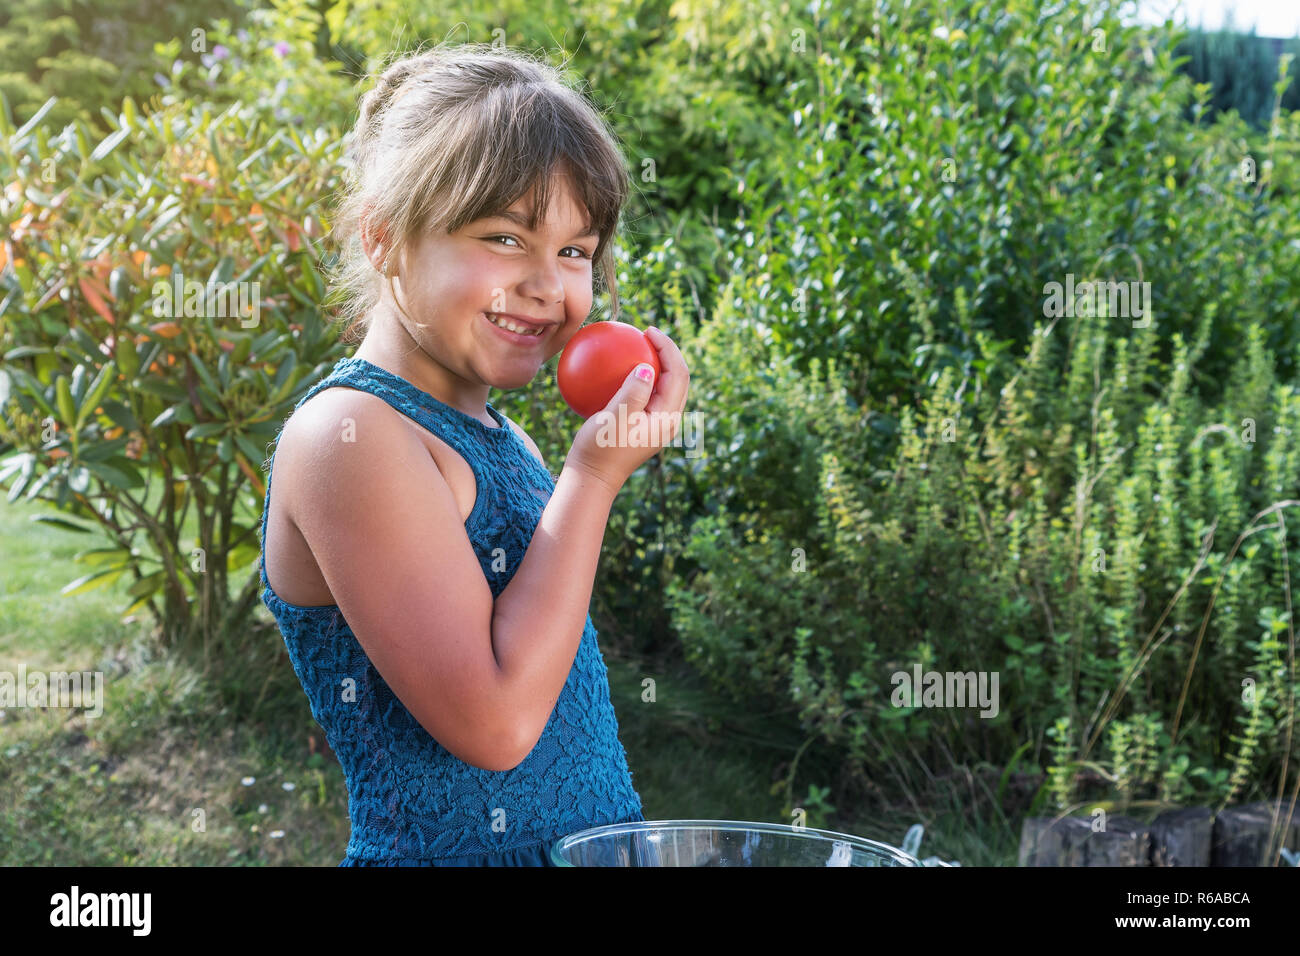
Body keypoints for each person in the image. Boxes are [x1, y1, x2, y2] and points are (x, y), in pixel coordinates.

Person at [256, 42, 690, 866]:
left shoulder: (504, 439)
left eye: (575, 251)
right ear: (385, 240)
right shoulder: (348, 437)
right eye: (504, 237)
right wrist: (592, 480)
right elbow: (495, 724)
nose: (547, 284)